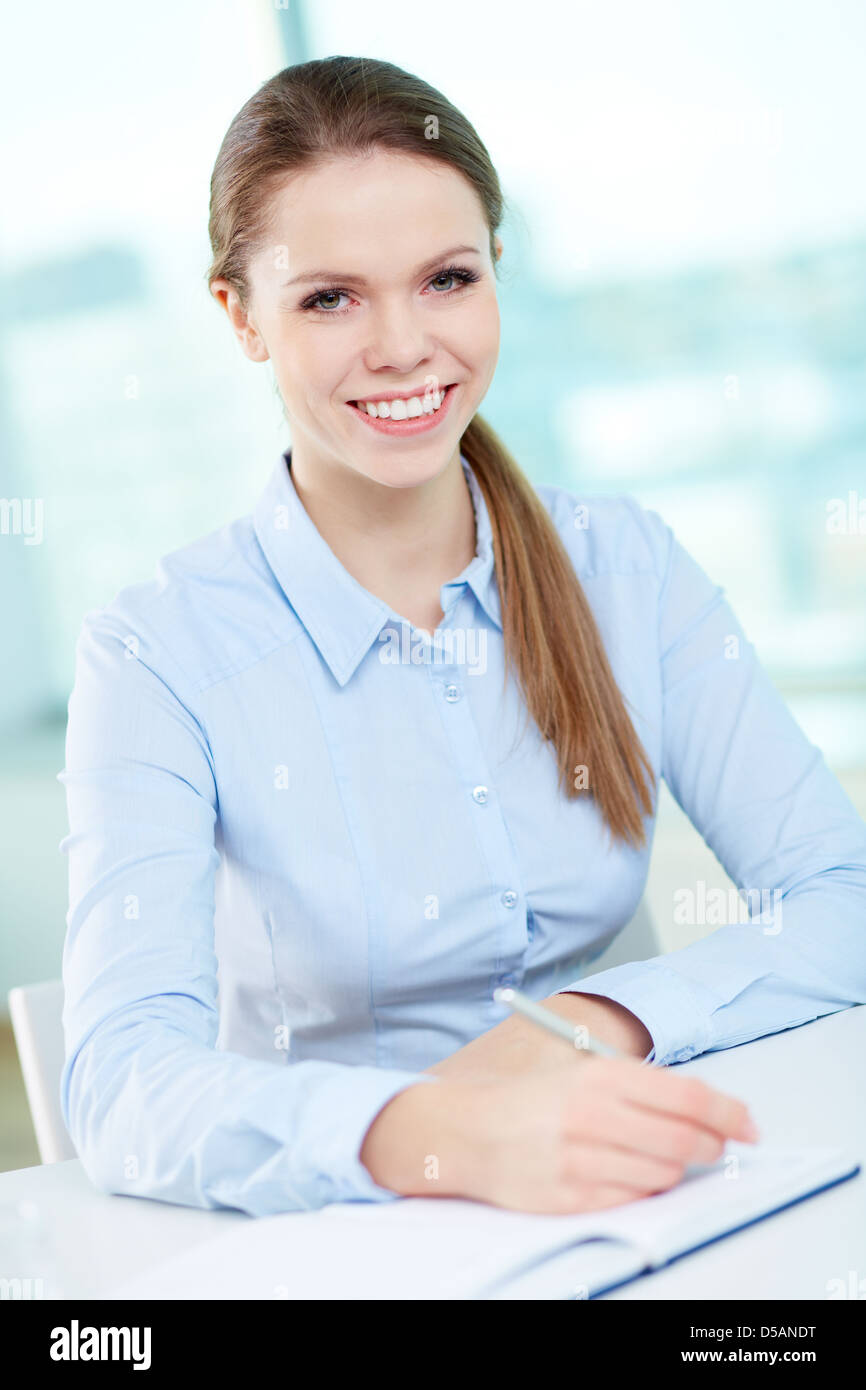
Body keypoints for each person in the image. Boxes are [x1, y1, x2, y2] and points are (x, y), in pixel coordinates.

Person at [59, 56, 866, 1219]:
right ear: (239, 316)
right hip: (337, 1233)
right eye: (329, 297)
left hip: (625, 1186)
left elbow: (838, 896)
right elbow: (123, 1081)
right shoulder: (155, 653)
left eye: (445, 278)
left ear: (495, 274)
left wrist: (590, 1026)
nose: (400, 347)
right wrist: (438, 1134)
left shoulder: (627, 568)